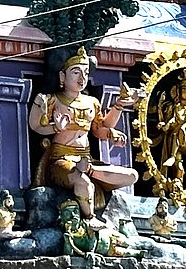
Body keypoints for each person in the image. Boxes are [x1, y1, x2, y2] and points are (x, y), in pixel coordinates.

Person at [29, 47, 139, 229]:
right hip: (61, 160)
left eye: (86, 73)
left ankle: (91, 171)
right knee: (82, 181)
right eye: (76, 72)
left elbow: (99, 129)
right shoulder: (53, 100)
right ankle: (89, 217)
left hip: (86, 159)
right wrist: (56, 127)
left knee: (131, 175)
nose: (82, 78)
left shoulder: (91, 102)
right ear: (62, 77)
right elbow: (36, 126)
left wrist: (117, 112)